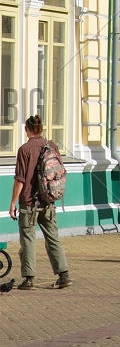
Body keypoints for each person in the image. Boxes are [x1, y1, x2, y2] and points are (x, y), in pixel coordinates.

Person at [9, 114, 71, 290]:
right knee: (53, 237)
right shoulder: (51, 146)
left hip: (28, 202)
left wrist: (13, 203)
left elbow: (20, 179)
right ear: (41, 129)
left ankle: (29, 279)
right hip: (48, 200)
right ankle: (64, 275)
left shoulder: (25, 149)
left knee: (28, 239)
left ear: (26, 129)